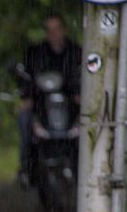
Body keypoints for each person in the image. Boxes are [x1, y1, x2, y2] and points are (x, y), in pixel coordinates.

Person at [18, 13, 83, 188]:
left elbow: (83, 76)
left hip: (69, 106)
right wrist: (27, 98)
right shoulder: (36, 53)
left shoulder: (76, 52)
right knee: (24, 121)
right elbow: (27, 78)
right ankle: (25, 167)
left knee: (88, 126)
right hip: (41, 106)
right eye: (49, 30)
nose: (54, 33)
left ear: (64, 30)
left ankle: (87, 171)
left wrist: (79, 94)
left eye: (57, 29)